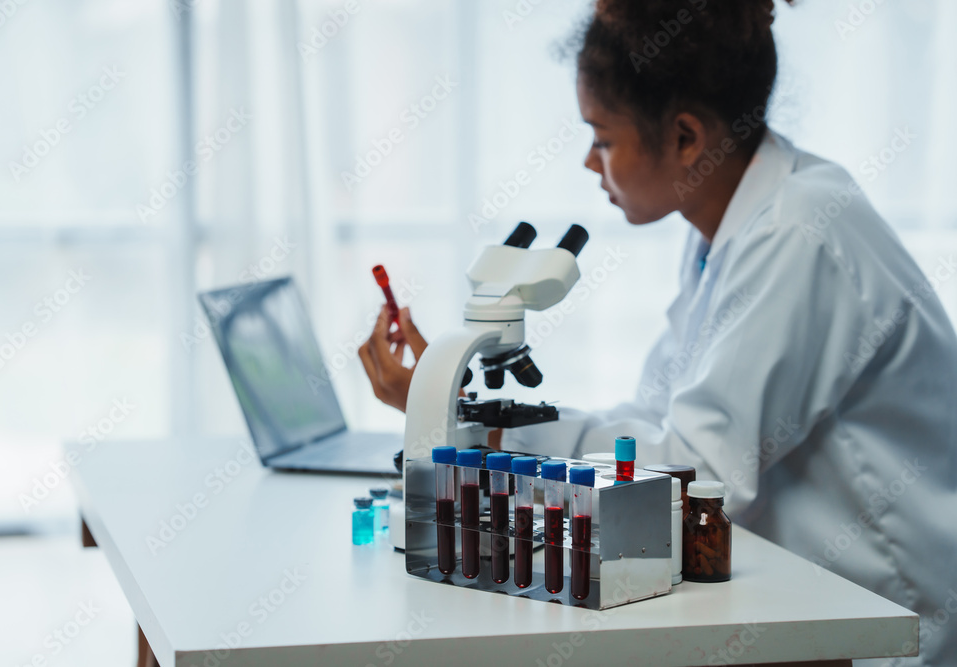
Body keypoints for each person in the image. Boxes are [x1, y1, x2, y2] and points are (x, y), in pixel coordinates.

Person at [360, 2, 957, 664]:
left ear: (684, 138)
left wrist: (484, 435)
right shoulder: (729, 230)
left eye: (604, 137)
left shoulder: (797, 232)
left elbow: (695, 477)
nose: (591, 162)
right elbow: (649, 426)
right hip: (804, 602)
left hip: (885, 625)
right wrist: (478, 422)